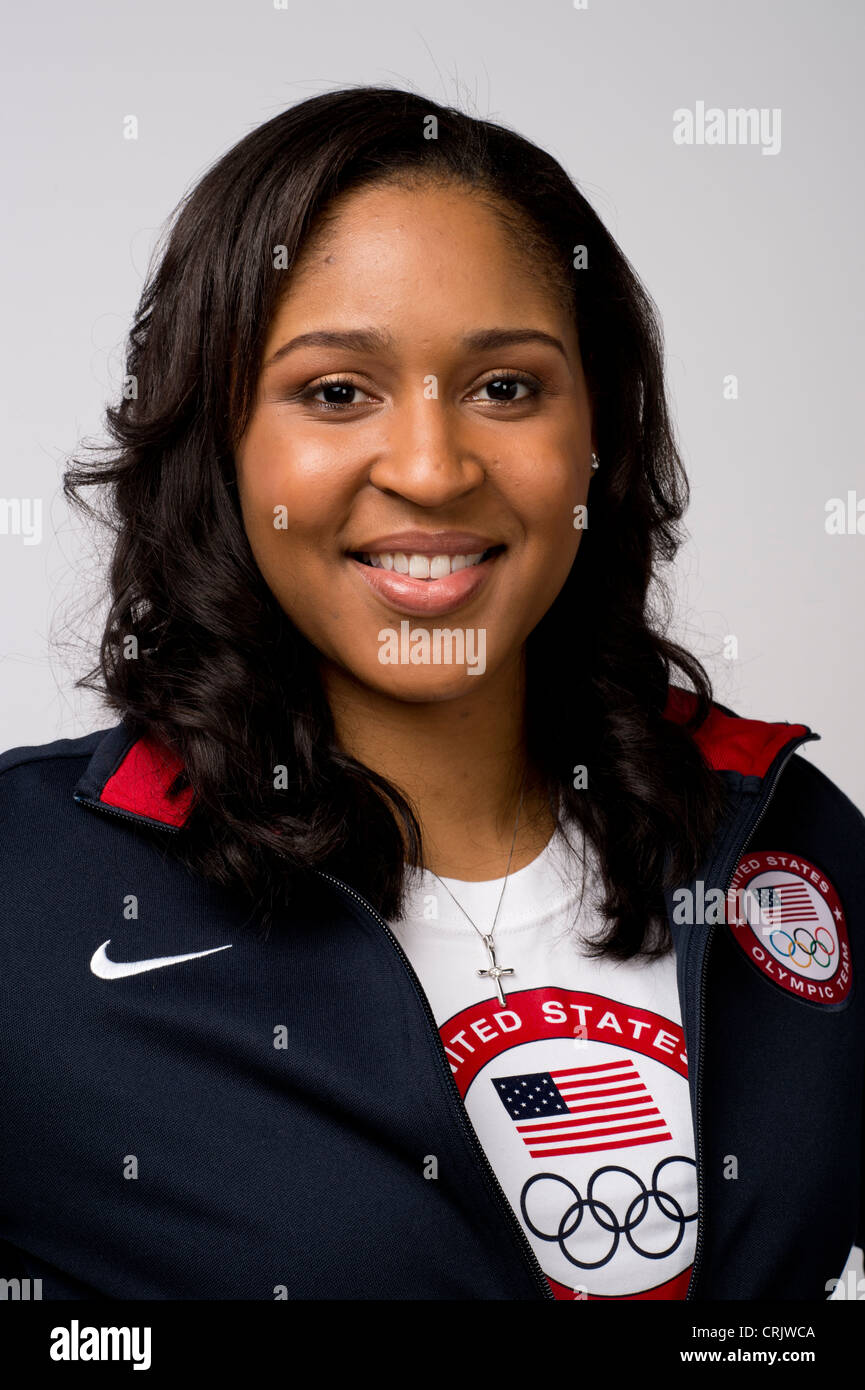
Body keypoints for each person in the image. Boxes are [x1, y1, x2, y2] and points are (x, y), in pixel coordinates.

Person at [0, 85, 862, 1302]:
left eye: (505, 387)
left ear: (599, 431)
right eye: (335, 391)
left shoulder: (790, 837)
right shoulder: (23, 892)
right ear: (221, 440)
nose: (431, 468)